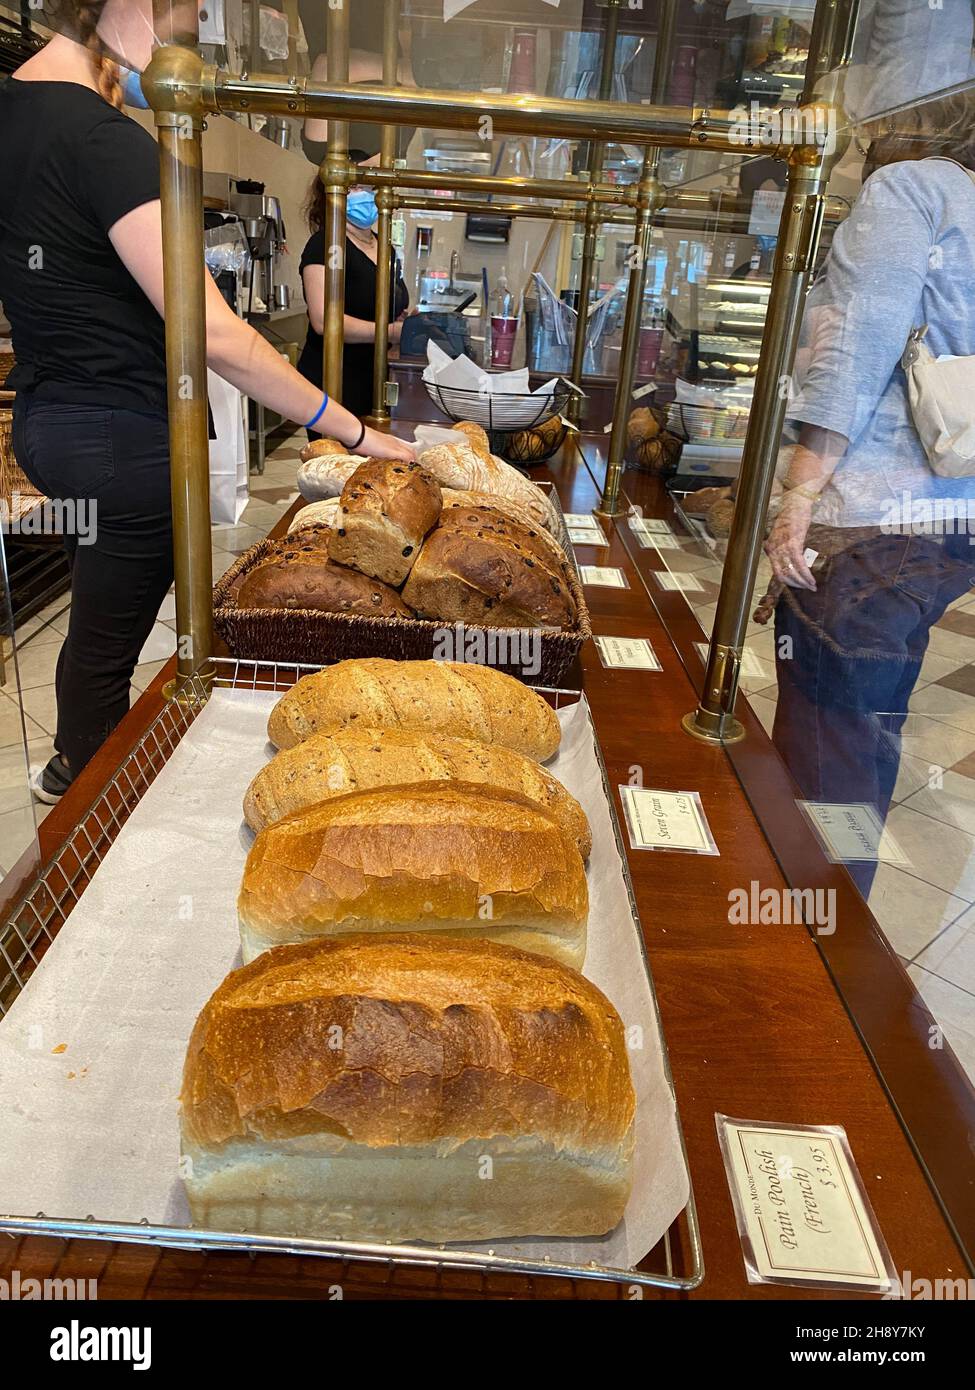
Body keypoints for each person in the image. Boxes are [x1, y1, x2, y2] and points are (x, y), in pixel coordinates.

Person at [0, 0, 415, 804]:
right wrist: (353, 432)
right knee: (110, 635)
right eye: (184, 24)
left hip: (52, 418)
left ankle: (69, 766)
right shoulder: (98, 138)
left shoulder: (13, 113)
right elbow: (214, 335)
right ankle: (88, 802)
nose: (184, 47)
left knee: (97, 606)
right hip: (120, 433)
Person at [762, 107, 975, 896]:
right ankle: (834, 907)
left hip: (870, 519)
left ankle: (808, 929)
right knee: (869, 728)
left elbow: (853, 347)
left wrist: (799, 494)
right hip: (954, 522)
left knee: (832, 738)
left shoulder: (914, 191)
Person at [296, 161, 410, 421]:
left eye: (367, 186)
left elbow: (393, 302)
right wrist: (390, 331)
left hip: (376, 375)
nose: (364, 194)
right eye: (353, 187)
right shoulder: (324, 245)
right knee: (339, 458)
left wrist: (404, 321)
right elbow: (324, 321)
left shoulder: (386, 248)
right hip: (334, 378)